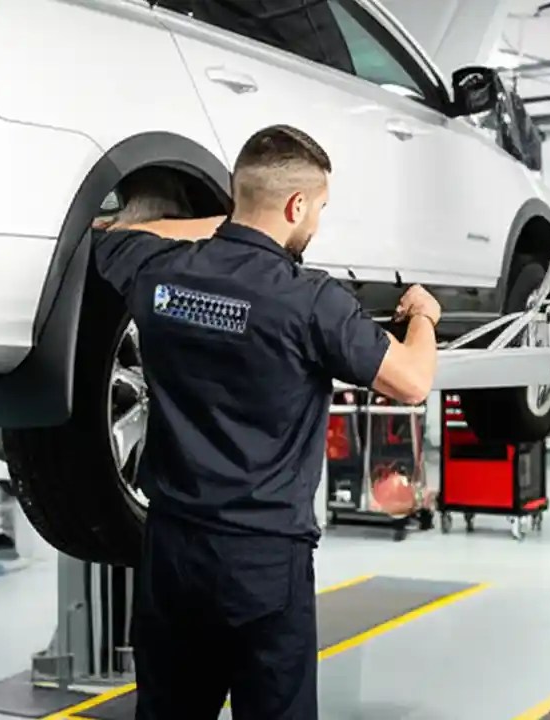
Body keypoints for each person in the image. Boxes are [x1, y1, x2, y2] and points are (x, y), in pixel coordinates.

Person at [91, 124, 441, 720]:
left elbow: (114, 233)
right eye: (319, 208)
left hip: (172, 553)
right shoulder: (309, 300)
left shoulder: (162, 276)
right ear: (297, 205)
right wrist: (424, 317)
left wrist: (231, 224)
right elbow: (411, 380)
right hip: (262, 560)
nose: (318, 224)